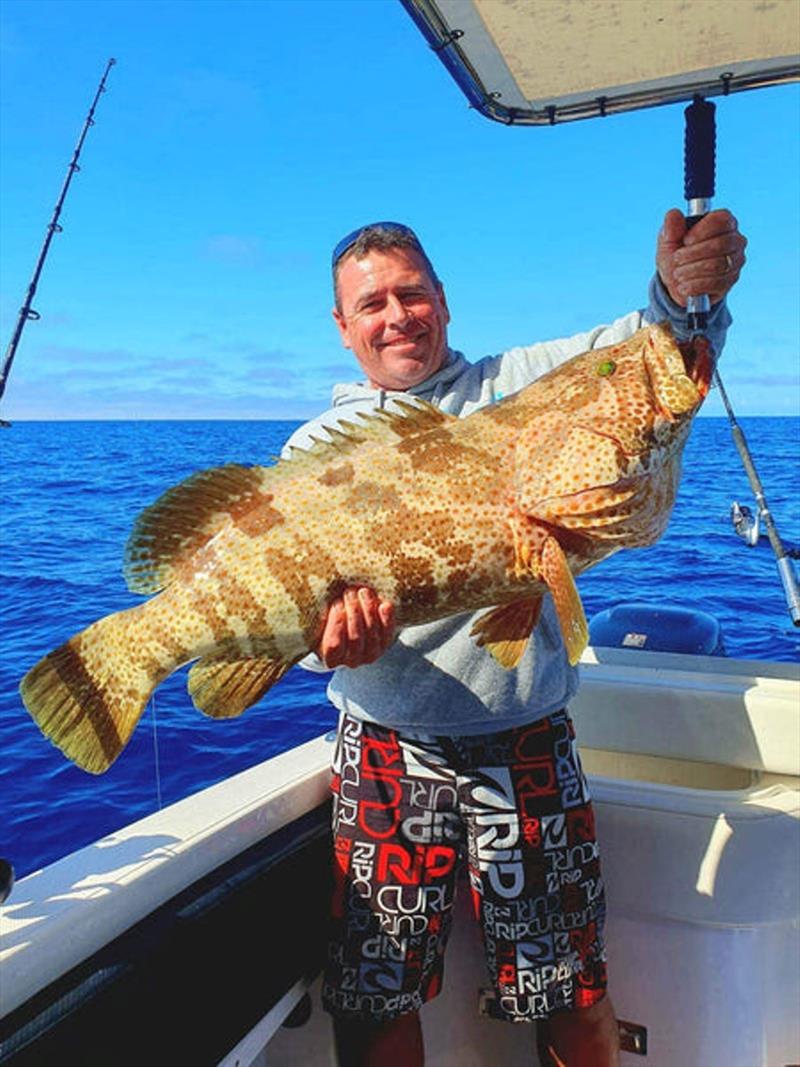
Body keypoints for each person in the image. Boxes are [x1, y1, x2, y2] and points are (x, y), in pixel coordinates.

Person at [282, 211, 747, 1067]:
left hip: (526, 739)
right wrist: (328, 645)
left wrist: (686, 295)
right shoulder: (317, 451)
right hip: (385, 749)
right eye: (373, 303)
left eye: (411, 294)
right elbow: (297, 618)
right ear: (343, 327)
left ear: (443, 299)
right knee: (376, 996)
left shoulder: (513, 384)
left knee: (571, 987)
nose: (397, 316)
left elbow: (638, 353)